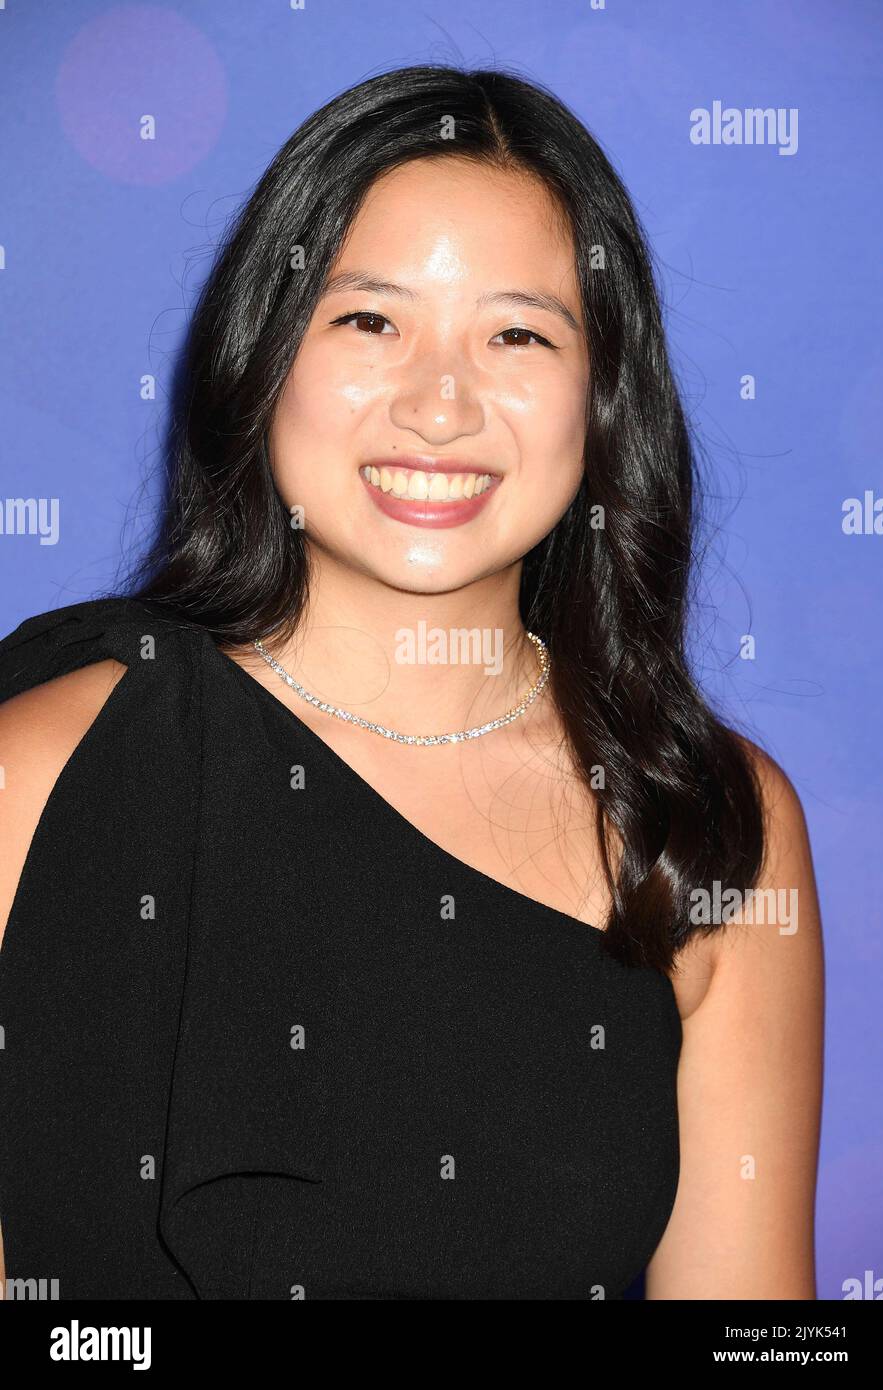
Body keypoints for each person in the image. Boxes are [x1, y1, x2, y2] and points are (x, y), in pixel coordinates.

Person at [0, 64, 823, 1300]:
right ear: (263, 353)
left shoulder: (706, 821)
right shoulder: (43, 767)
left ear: (604, 401)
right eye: (371, 321)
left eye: (517, 334)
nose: (439, 406)